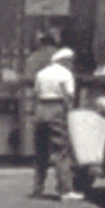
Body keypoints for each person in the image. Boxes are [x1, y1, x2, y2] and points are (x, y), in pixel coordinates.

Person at [31, 47, 80, 200]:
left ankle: (38, 188)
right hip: (56, 108)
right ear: (65, 61)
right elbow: (70, 96)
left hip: (40, 108)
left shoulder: (41, 73)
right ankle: (65, 189)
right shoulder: (66, 74)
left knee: (41, 151)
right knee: (61, 150)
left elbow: (36, 93)